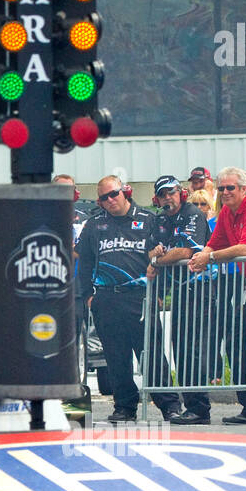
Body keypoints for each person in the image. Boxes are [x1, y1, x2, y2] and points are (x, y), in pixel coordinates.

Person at [78, 175, 180, 422]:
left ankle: (169, 404)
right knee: (115, 357)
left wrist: (160, 293)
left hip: (140, 298)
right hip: (107, 299)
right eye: (104, 197)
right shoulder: (93, 225)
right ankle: (124, 406)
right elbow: (85, 262)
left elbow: (164, 260)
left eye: (114, 194)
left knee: (152, 354)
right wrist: (88, 296)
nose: (110, 200)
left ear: (125, 192)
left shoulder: (149, 220)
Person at [187, 167, 246, 424]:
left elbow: (245, 247)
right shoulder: (227, 211)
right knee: (237, 344)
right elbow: (214, 241)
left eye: (230, 188)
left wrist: (210, 257)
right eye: (222, 188)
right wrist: (201, 256)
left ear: (243, 189)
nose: (225, 192)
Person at [146, 176, 209, 422]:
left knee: (191, 349)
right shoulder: (159, 218)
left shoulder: (193, 213)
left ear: (181, 193)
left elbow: (186, 251)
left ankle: (200, 408)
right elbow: (150, 249)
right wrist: (156, 256)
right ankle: (190, 405)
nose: (167, 198)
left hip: (199, 288)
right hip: (175, 290)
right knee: (179, 347)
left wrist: (158, 261)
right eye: (162, 195)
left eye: (171, 193)